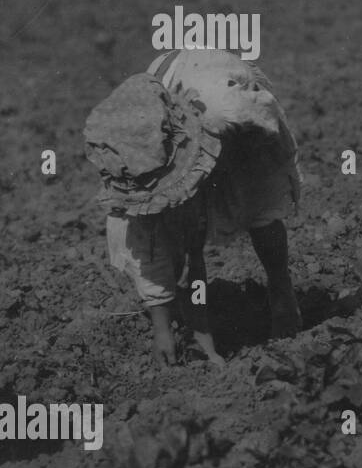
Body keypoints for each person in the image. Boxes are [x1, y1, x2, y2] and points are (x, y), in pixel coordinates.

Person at [85, 51, 302, 366]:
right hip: (180, 92)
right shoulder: (133, 158)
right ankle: (203, 337)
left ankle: (282, 295)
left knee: (259, 202)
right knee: (185, 238)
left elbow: (271, 161)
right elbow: (155, 251)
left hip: (235, 109)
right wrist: (166, 331)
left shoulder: (233, 107)